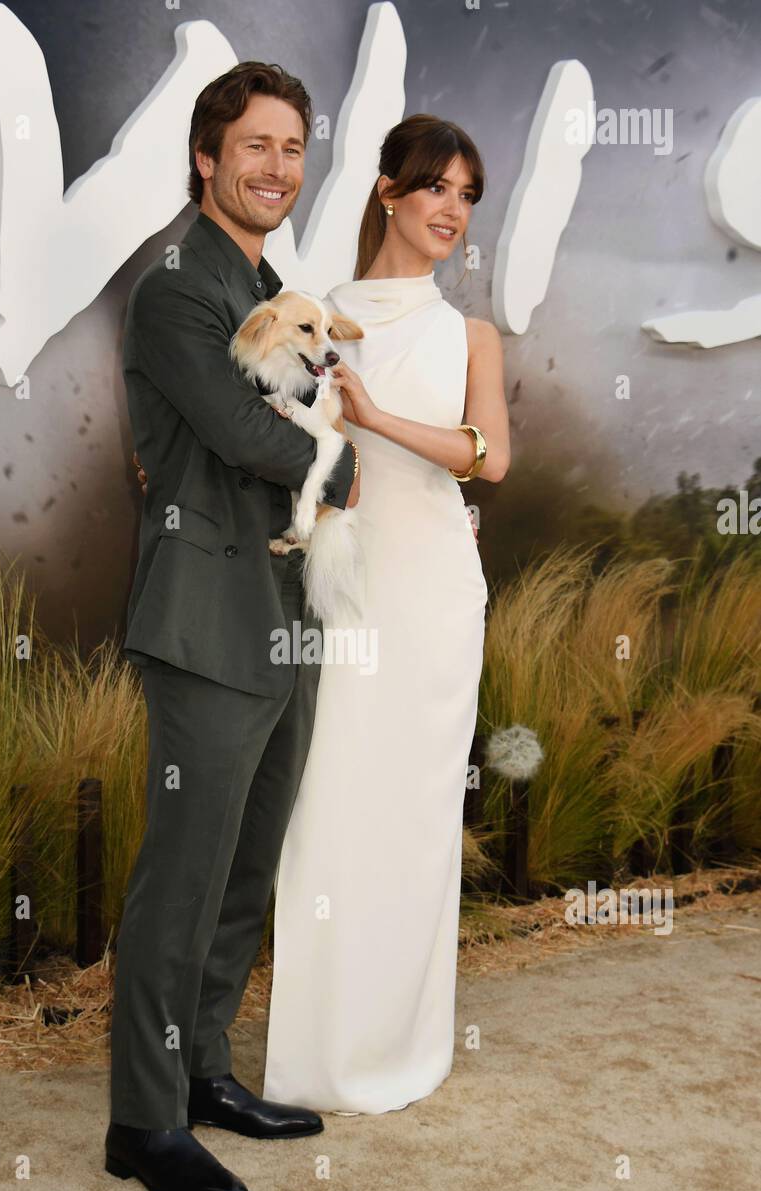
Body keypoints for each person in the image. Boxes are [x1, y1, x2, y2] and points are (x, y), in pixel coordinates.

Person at [106, 62, 361, 1191]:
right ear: (207, 157)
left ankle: (204, 1068)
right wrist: (342, 459)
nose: (277, 168)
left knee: (247, 864)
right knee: (186, 873)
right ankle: (145, 1121)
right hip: (206, 616)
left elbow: (274, 423)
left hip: (280, 614)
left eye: (293, 149)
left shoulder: (266, 281)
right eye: (254, 145)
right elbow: (242, 432)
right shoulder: (176, 284)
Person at [262, 115, 511, 1115]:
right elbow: (286, 441)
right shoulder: (312, 313)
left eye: (467, 194)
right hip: (348, 589)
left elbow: (489, 457)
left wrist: (374, 417)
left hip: (438, 595)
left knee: (412, 821)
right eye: (435, 187)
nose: (451, 210)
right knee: (327, 812)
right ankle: (318, 1053)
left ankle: (406, 1045)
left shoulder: (471, 334)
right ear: (387, 191)